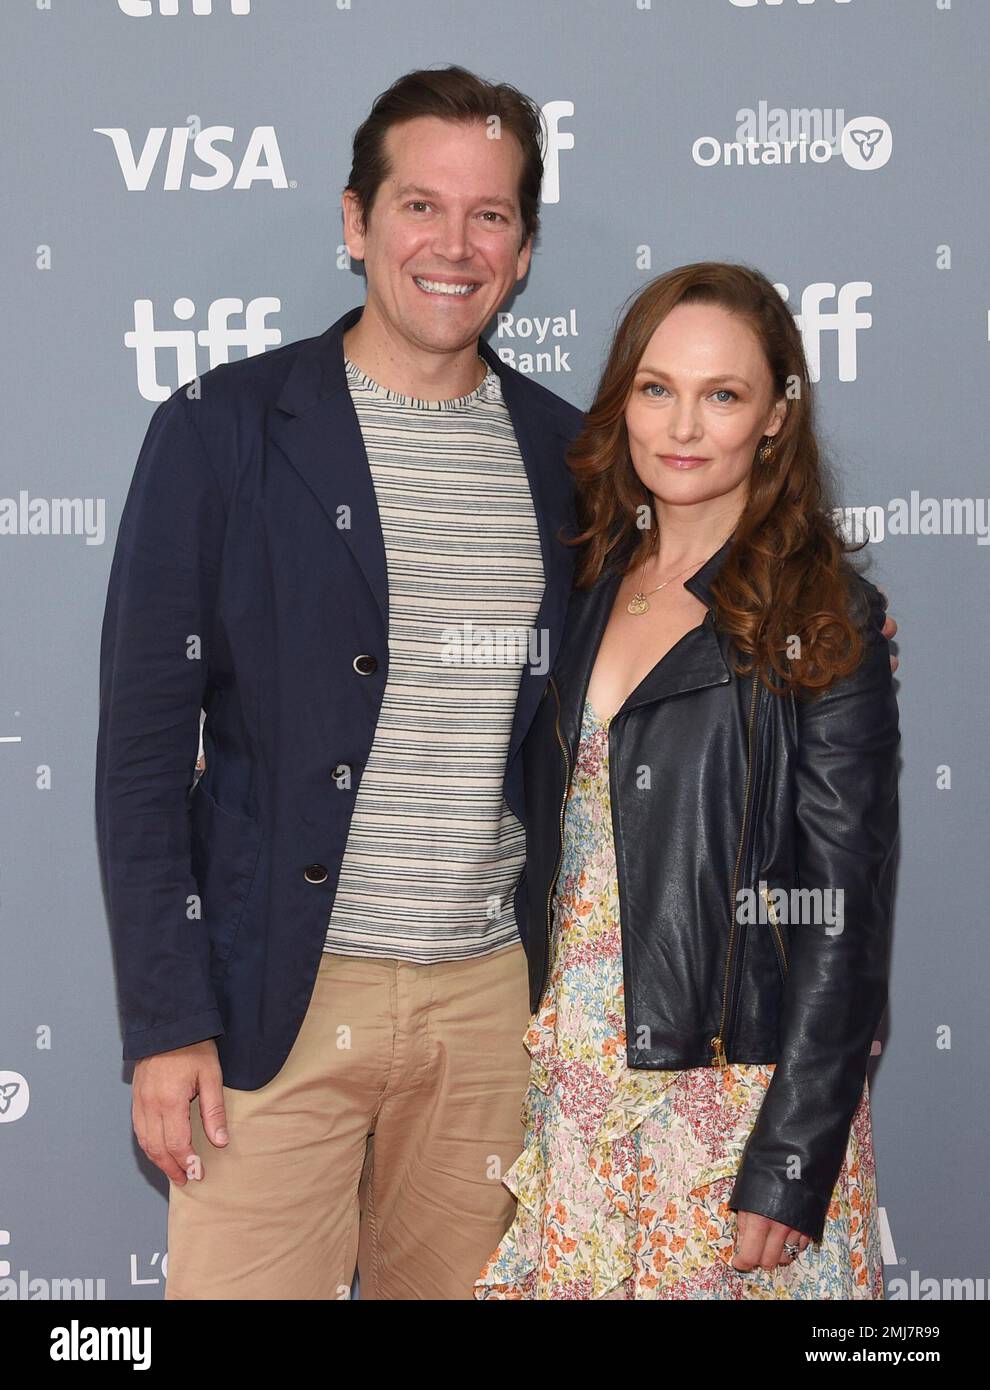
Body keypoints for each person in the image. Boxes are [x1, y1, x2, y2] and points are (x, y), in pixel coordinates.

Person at [95, 65, 898, 1302]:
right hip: (271, 1012)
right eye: (421, 206)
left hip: (493, 1019)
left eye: (492, 216)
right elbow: (144, 756)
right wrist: (165, 1018)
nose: (454, 246)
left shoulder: (565, 459)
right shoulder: (222, 431)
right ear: (356, 221)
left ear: (524, 250)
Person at [474, 262, 900, 1300]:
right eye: (657, 388)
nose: (684, 424)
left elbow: (841, 910)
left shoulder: (824, 614)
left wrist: (794, 1152)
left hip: (729, 1098)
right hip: (577, 1074)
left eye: (724, 394)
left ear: (775, 417)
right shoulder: (584, 581)